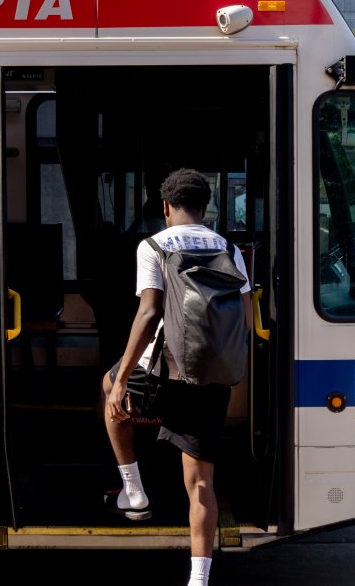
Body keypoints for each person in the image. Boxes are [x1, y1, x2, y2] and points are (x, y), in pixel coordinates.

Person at [99, 168, 253, 586]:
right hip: (211, 376)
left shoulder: (153, 246)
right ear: (205, 208)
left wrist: (125, 377)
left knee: (109, 388)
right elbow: (246, 317)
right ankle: (199, 579)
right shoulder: (229, 248)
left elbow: (149, 313)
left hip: (160, 373)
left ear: (165, 207)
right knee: (201, 482)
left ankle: (134, 489)